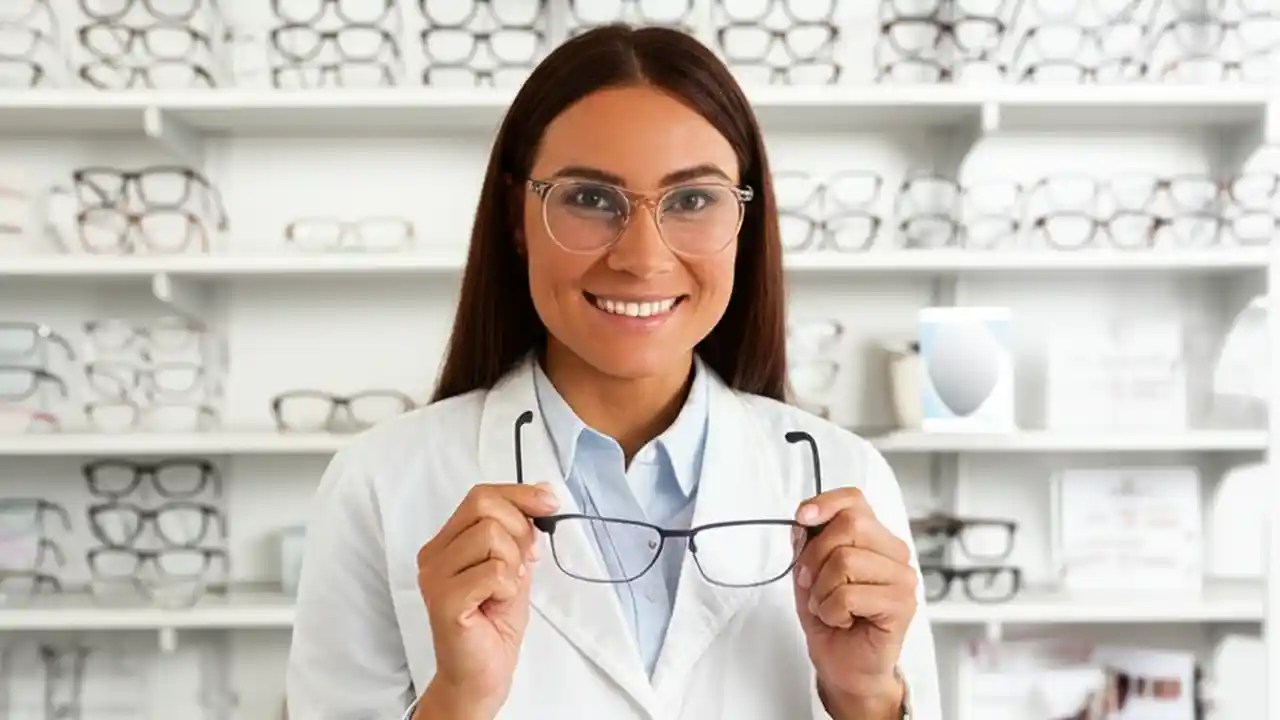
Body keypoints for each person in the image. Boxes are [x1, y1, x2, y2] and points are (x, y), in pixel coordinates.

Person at [286, 24, 941, 720]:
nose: (642, 258)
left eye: (692, 200)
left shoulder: (845, 476)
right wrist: (459, 699)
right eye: (591, 199)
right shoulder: (380, 484)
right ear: (518, 215)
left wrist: (865, 696)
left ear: (743, 221)